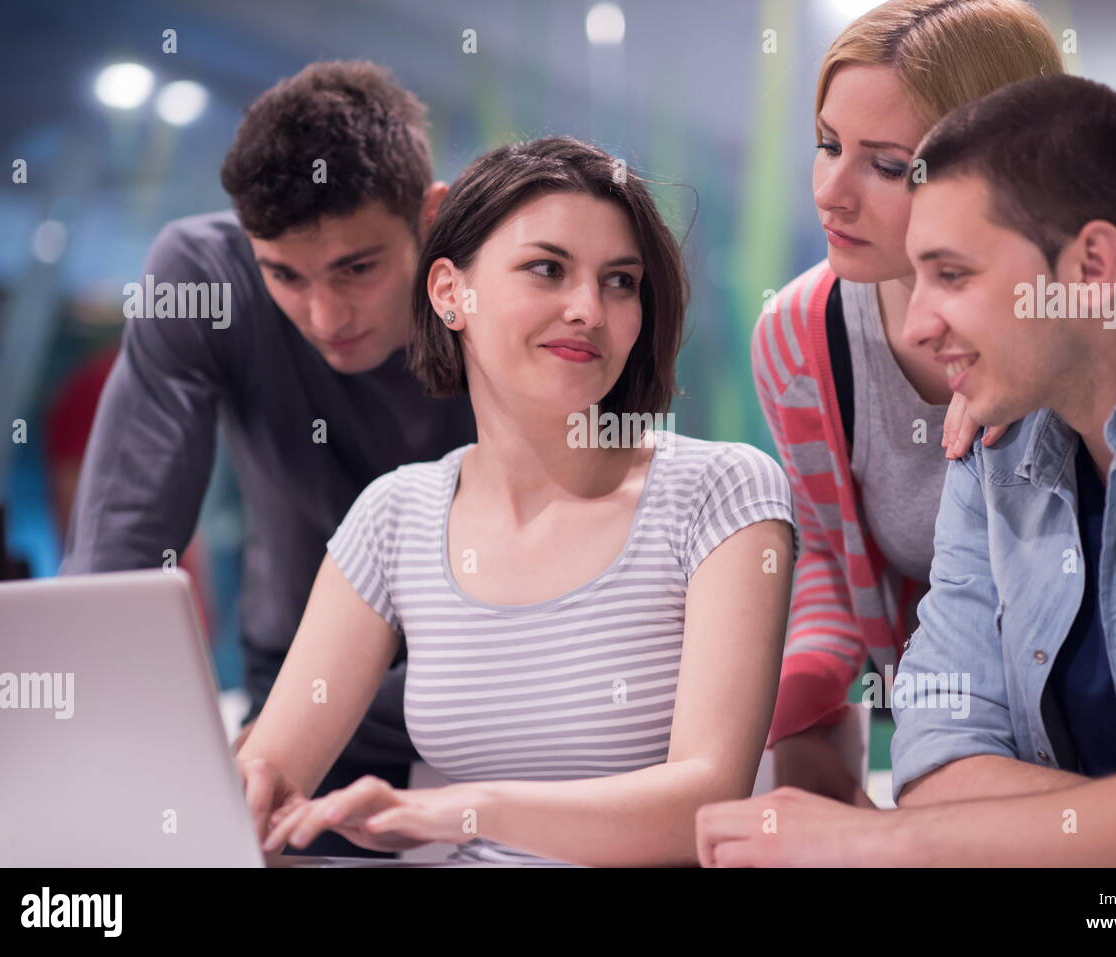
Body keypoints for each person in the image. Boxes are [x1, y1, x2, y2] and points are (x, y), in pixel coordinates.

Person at [696, 73, 1116, 866]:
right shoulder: (992, 440)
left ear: (1092, 265)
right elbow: (935, 756)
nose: (922, 324)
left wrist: (880, 842)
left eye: (953, 275)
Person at [237, 136, 798, 866]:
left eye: (621, 281)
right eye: (547, 269)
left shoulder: (722, 492)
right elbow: (272, 775)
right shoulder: (395, 515)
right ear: (449, 293)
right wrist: (241, 796)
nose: (589, 309)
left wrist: (463, 809)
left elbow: (705, 803)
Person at [59, 61, 476, 858]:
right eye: (283, 273)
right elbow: (119, 551)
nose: (324, 315)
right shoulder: (201, 277)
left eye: (357, 268)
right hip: (291, 686)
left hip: (494, 692)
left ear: (432, 216)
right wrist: (76, 752)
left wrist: (284, 735)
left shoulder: (503, 291)